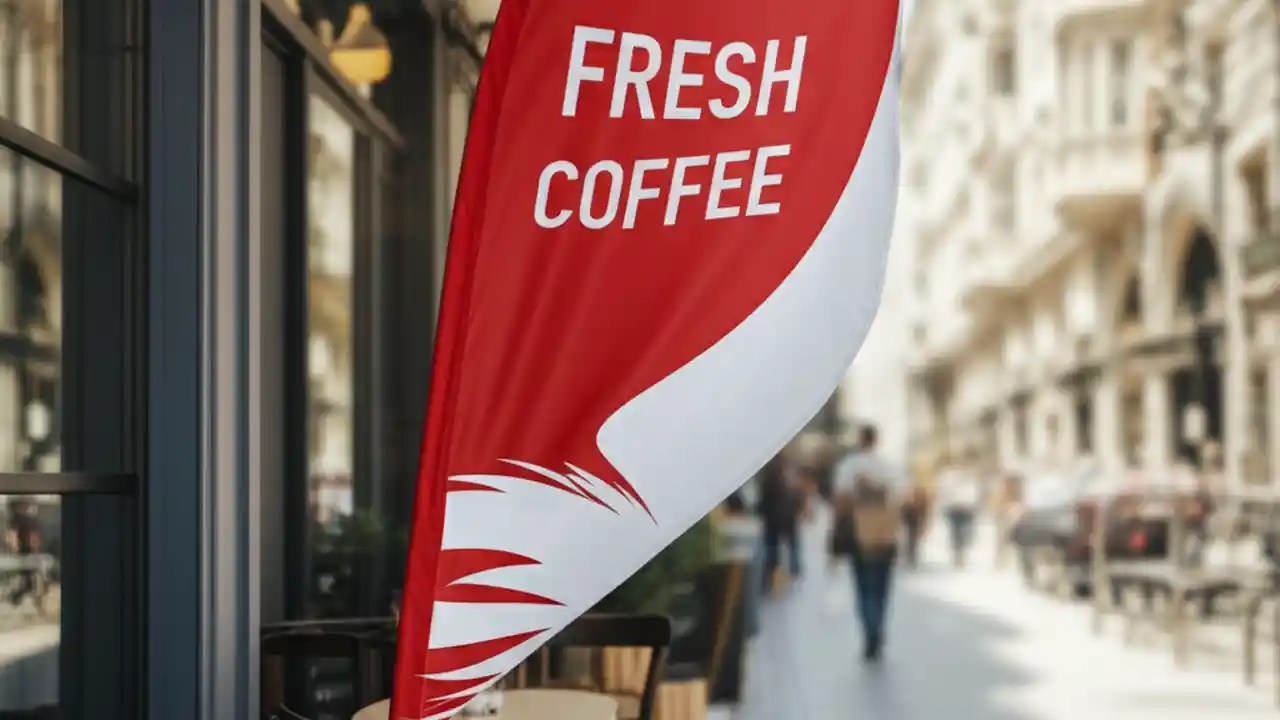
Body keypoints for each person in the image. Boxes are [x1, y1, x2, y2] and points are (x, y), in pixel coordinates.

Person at [831, 424, 901, 660]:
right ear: (876, 440)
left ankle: (870, 632)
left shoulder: (849, 466)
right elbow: (902, 499)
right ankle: (877, 627)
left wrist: (835, 533)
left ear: (860, 440)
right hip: (886, 535)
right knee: (882, 587)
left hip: (858, 535)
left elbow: (840, 502)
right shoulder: (890, 466)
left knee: (863, 587)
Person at [757, 455, 804, 589]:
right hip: (788, 518)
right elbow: (796, 496)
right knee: (793, 547)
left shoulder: (767, 480)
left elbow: (763, 501)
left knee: (772, 550)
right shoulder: (787, 478)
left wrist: (760, 512)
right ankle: (795, 572)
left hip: (773, 520)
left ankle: (770, 575)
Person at [938, 454, 981, 568]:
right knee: (956, 532)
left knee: (966, 533)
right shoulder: (949, 478)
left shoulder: (970, 478)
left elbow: (974, 494)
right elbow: (944, 493)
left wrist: (972, 506)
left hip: (967, 510)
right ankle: (957, 555)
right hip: (954, 509)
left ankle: (962, 554)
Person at [6, 498, 42, 608]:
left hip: (28, 551)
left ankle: (16, 598)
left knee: (29, 579)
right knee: (27, 578)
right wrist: (14, 545)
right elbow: (13, 534)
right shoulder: (17, 518)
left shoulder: (29, 520)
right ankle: (15, 598)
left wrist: (35, 546)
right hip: (23, 551)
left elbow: (34, 537)